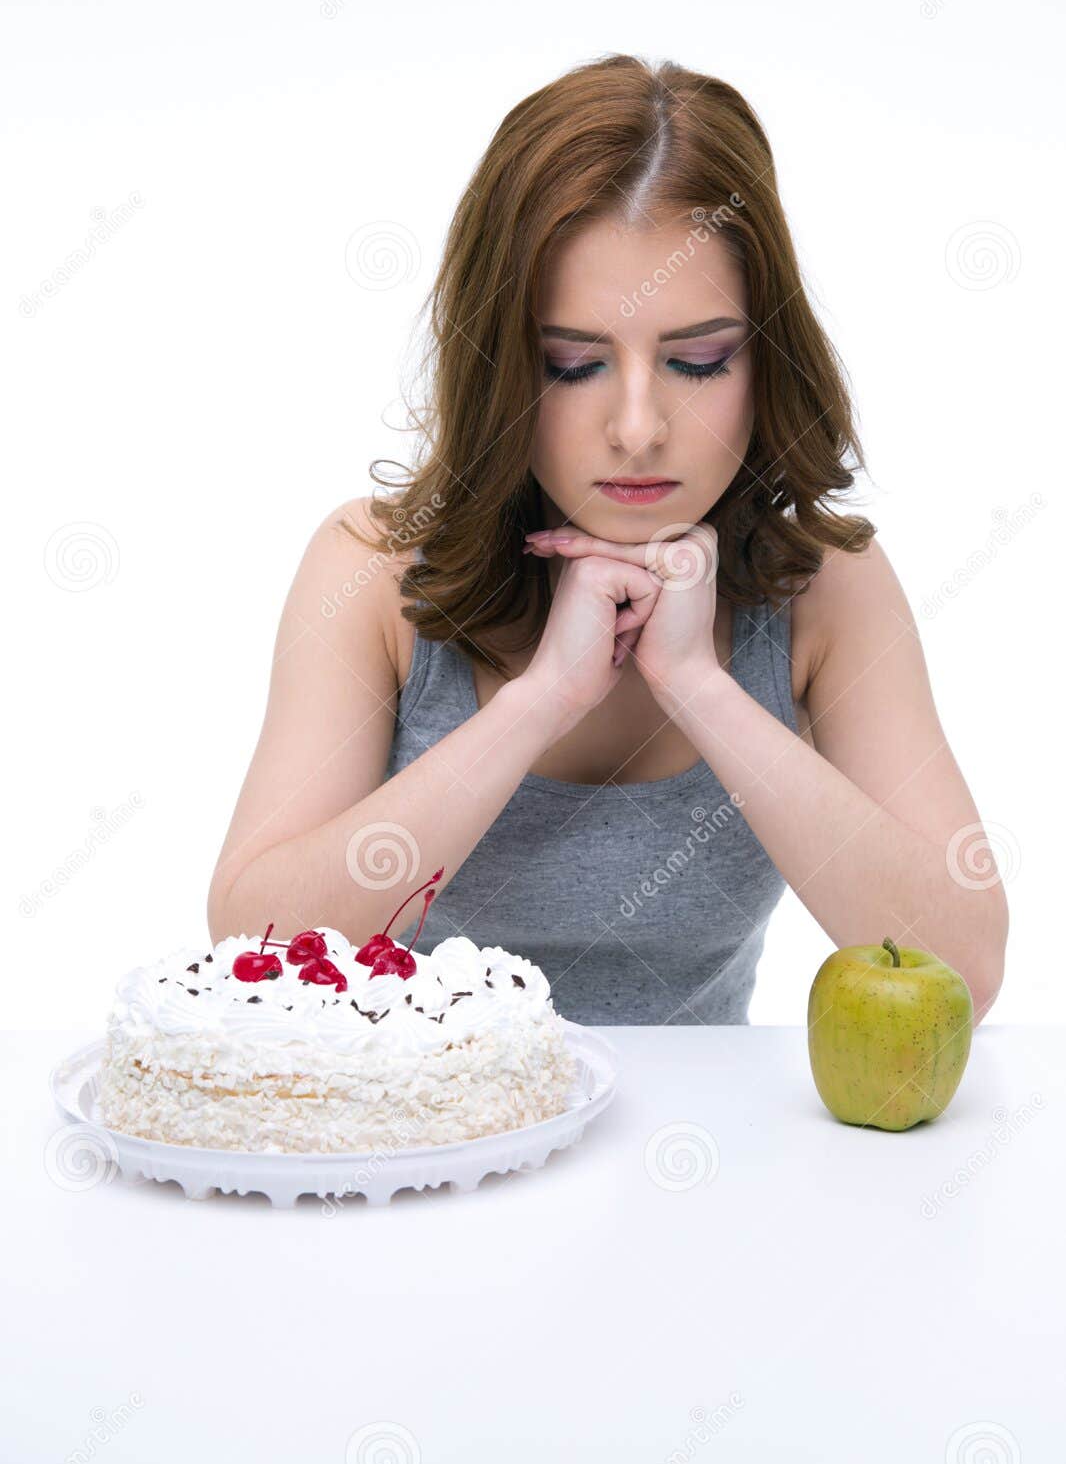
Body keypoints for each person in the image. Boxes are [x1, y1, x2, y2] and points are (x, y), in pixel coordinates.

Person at [207, 54, 1007, 1026]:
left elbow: (963, 967)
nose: (637, 426)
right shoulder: (372, 572)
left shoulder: (825, 587)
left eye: (698, 359)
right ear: (499, 368)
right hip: (426, 1159)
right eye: (573, 365)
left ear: (764, 359)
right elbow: (250, 949)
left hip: (710, 1161)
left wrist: (702, 687)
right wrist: (541, 699)